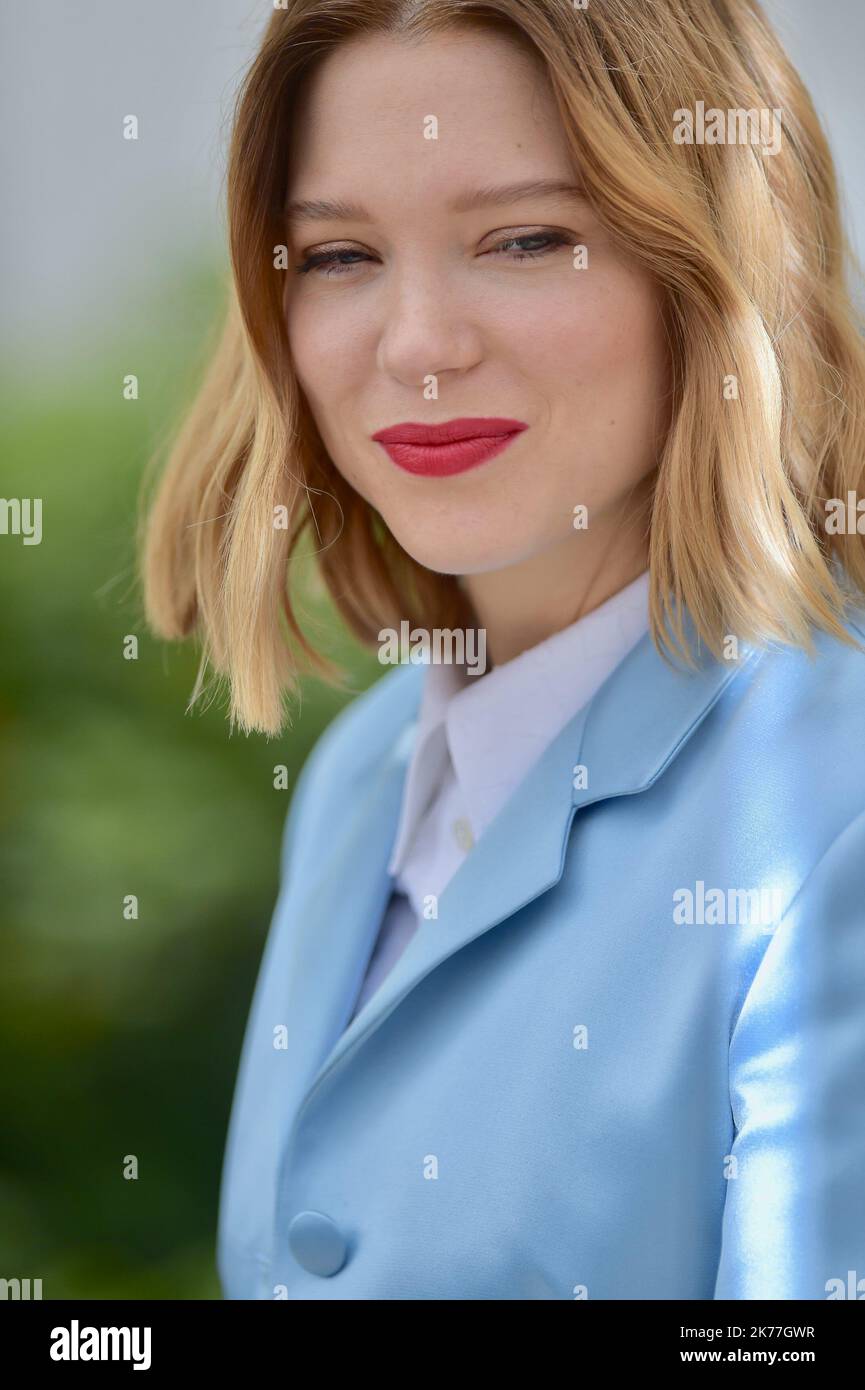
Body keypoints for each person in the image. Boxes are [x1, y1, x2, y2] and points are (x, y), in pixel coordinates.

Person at [141, 0, 865, 1300]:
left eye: (526, 238)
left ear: (717, 268)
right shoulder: (365, 774)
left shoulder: (833, 807)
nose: (416, 346)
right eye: (340, 255)